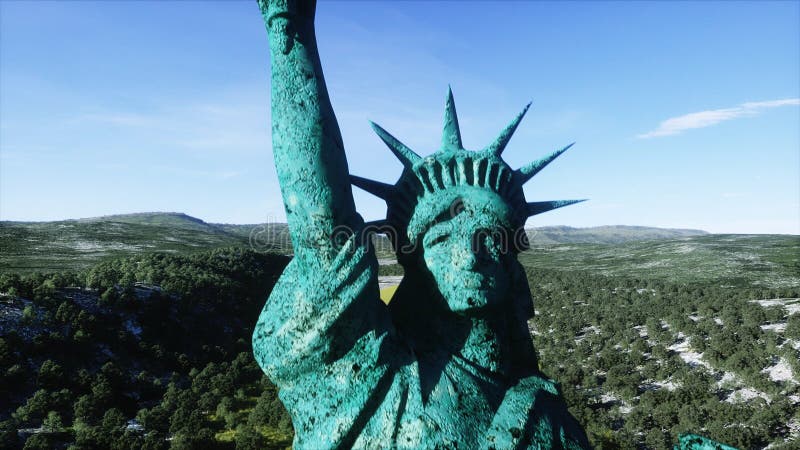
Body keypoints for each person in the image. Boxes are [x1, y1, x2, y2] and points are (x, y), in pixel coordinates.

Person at [253, 0, 590, 448]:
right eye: (443, 237)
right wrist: (289, 30)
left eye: (489, 236)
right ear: (414, 259)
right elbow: (320, 224)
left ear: (512, 264)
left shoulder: (546, 419)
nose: (469, 254)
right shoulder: (380, 376)